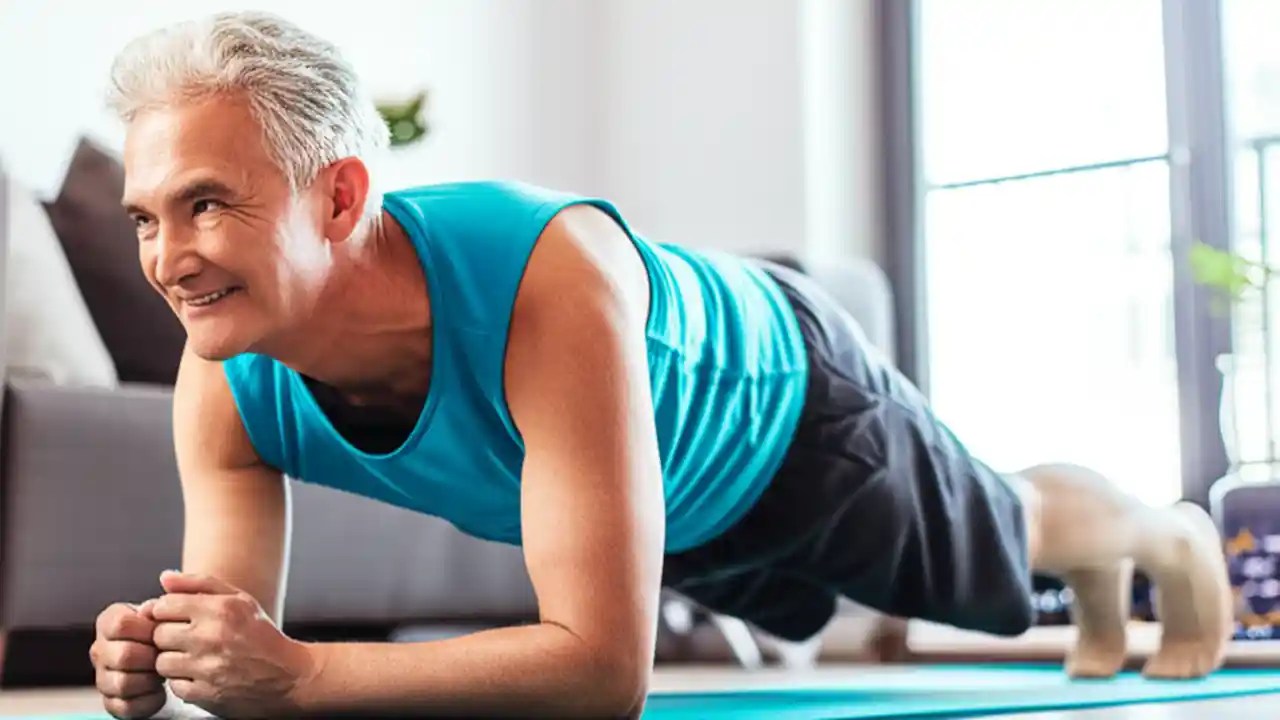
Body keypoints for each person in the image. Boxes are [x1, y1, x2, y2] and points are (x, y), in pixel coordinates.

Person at [87, 10, 1233, 720]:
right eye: (146, 218)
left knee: (990, 553)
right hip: (680, 511)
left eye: (205, 206)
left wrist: (304, 679)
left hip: (788, 410)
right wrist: (171, 670)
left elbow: (598, 678)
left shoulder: (543, 270)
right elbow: (238, 652)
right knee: (971, 560)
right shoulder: (223, 379)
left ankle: (1156, 533)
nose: (166, 258)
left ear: (338, 195)